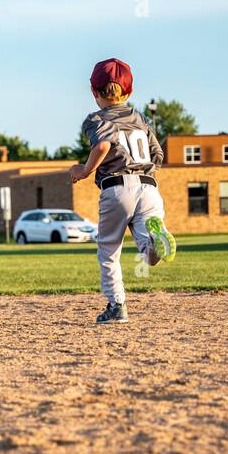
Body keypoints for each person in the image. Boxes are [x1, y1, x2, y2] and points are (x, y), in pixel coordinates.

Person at [69, 58, 176, 324]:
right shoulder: (139, 118)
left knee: (108, 250)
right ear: (129, 92)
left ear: (94, 92)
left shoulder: (96, 118)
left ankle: (117, 306)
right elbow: (157, 154)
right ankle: (152, 245)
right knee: (145, 247)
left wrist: (84, 170)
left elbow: (103, 146)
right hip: (148, 186)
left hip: (117, 188)